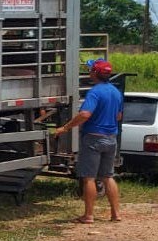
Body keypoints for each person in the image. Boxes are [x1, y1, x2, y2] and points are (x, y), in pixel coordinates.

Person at [53, 59, 124, 224]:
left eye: (91, 70)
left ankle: (88, 215)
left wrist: (66, 127)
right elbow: (118, 116)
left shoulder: (95, 92)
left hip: (93, 137)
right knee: (108, 176)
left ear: (95, 74)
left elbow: (85, 114)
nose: (89, 72)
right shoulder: (116, 92)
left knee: (89, 178)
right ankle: (116, 214)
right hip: (111, 138)